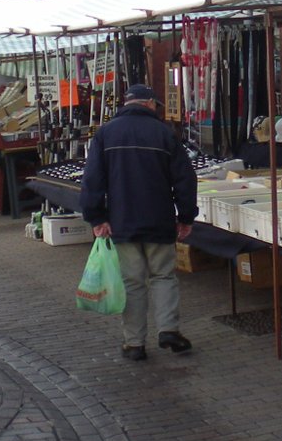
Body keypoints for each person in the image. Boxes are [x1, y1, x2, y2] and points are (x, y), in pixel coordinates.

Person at [80, 84, 198, 361]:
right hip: (159, 219)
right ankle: (168, 329)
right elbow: (184, 179)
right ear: (148, 104)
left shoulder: (105, 134)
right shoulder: (164, 134)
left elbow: (92, 180)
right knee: (163, 276)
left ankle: (134, 344)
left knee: (132, 283)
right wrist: (186, 216)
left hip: (122, 222)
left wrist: (96, 217)